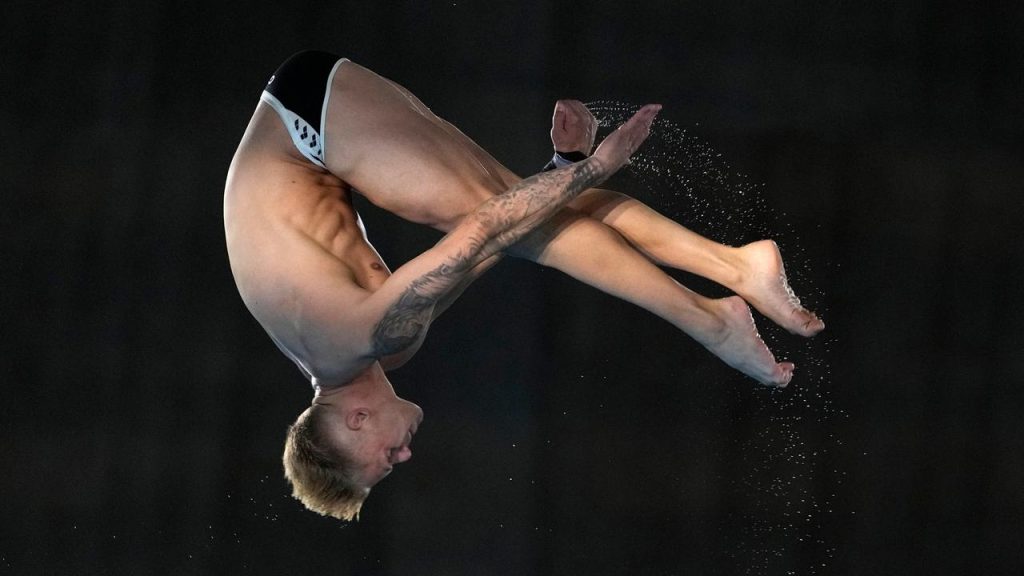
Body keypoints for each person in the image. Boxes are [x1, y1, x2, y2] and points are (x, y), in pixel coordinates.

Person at [223, 51, 823, 520]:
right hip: (317, 133)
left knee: (515, 218)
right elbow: (496, 239)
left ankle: (714, 318)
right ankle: (737, 269)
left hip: (303, 120)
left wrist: (597, 166)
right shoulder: (389, 346)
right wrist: (566, 170)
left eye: (386, 461)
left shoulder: (347, 338)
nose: (405, 456)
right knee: (530, 218)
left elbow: (485, 230)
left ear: (354, 423)